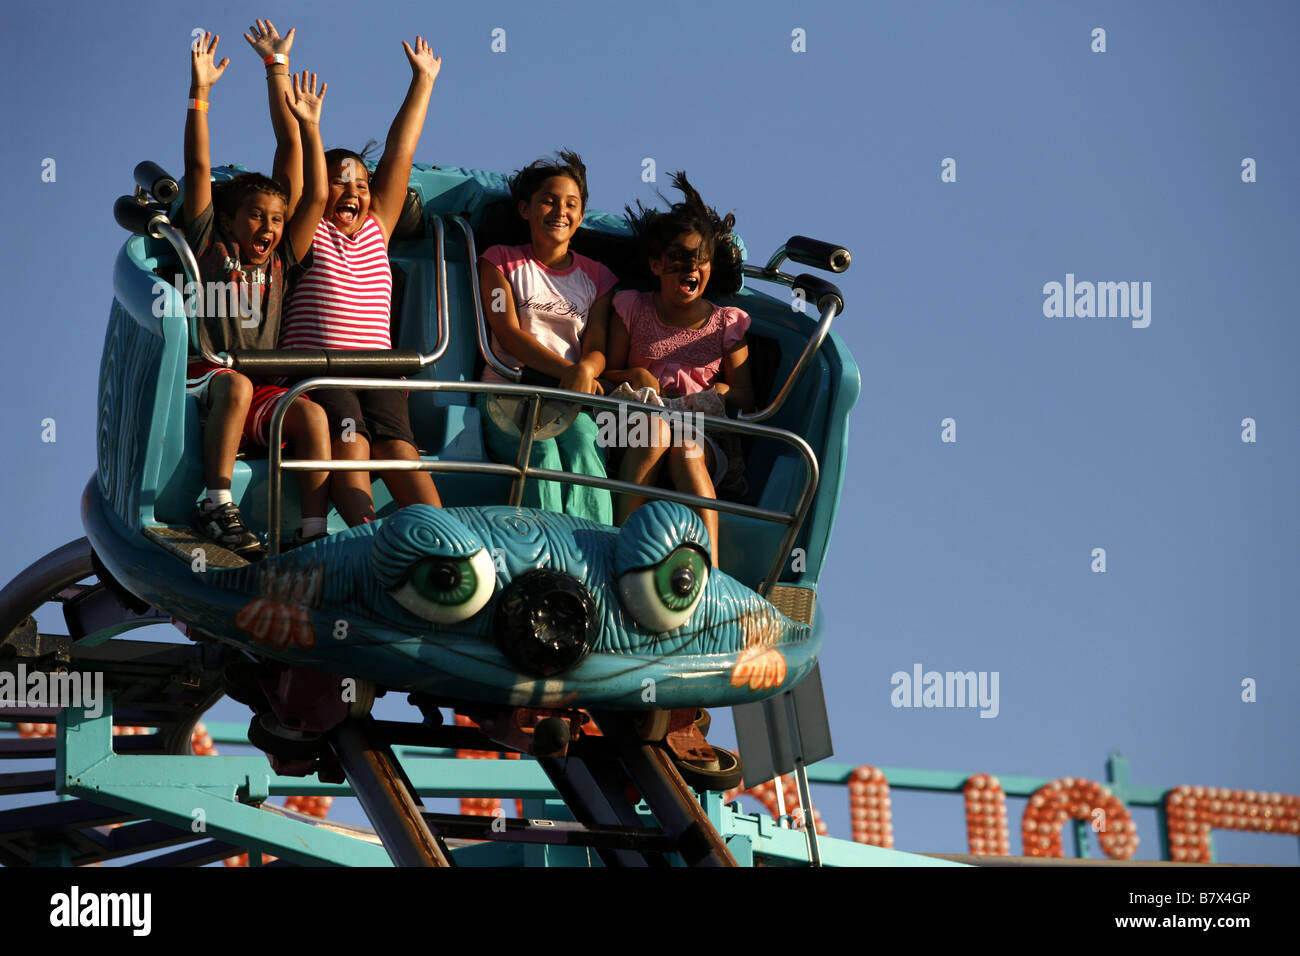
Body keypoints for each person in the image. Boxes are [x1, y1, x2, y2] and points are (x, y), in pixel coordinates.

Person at [278, 35, 443, 525]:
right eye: (340, 182)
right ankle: (364, 537)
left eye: (362, 185)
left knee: (397, 450)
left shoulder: (377, 228)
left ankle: (444, 540)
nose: (353, 192)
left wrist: (423, 82)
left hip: (379, 369)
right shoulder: (307, 231)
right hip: (322, 368)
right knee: (351, 445)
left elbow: (400, 152)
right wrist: (281, 74)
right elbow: (290, 158)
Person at [182, 32, 333, 558]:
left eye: (275, 219)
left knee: (311, 415)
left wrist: (309, 124)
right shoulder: (210, 244)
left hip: (252, 387)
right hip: (206, 378)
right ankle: (216, 505)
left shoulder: (281, 260)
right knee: (238, 383)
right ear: (228, 219)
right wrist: (200, 93)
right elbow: (199, 169)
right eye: (256, 217)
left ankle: (311, 534)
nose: (269, 227)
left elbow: (312, 190)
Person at [603, 173, 754, 567]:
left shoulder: (727, 323)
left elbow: (744, 396)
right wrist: (636, 376)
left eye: (699, 258)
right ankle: (622, 548)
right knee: (654, 432)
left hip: (699, 432)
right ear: (656, 264)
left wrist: (719, 392)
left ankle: (713, 567)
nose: (690, 266)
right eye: (679, 257)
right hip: (634, 426)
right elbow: (607, 375)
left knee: (685, 449)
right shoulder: (632, 308)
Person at [476, 151, 616, 524]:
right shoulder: (498, 261)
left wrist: (586, 368)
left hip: (569, 399)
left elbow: (598, 345)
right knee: (540, 453)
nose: (560, 211)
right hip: (510, 392)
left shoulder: (598, 277)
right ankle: (542, 552)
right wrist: (571, 373)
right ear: (525, 209)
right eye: (548, 201)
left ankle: (594, 549)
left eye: (571, 204)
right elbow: (507, 332)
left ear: (581, 217)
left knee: (587, 446)